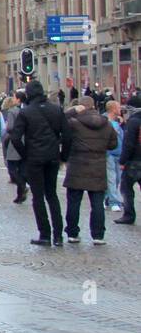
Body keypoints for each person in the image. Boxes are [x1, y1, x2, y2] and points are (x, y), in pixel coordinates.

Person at [8, 79, 67, 245]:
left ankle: (45, 234)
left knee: (38, 197)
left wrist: (25, 155)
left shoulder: (26, 112)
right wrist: (63, 156)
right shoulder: (56, 110)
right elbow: (68, 135)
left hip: (34, 158)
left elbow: (15, 137)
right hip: (52, 157)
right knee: (52, 195)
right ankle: (58, 236)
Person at [61, 97, 116, 245]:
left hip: (77, 166)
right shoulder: (106, 124)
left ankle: (72, 233)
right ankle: (98, 235)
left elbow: (58, 123)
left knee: (74, 202)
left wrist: (71, 111)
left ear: (80, 106)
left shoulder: (74, 123)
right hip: (97, 168)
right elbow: (113, 144)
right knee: (97, 204)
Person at [114, 93, 141, 225]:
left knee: (126, 189)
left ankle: (129, 215)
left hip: (134, 161)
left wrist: (123, 161)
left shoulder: (133, 122)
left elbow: (129, 143)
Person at [2, 95, 28, 204]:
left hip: (14, 141)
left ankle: (22, 185)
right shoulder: (24, 110)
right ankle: (19, 195)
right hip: (25, 140)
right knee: (21, 168)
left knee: (11, 167)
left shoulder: (12, 112)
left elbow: (10, 127)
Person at [105, 100, 124, 213]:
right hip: (109, 153)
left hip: (119, 153)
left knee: (117, 178)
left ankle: (108, 198)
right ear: (113, 109)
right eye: (118, 107)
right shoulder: (105, 121)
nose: (120, 109)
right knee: (111, 178)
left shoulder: (117, 121)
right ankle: (113, 202)